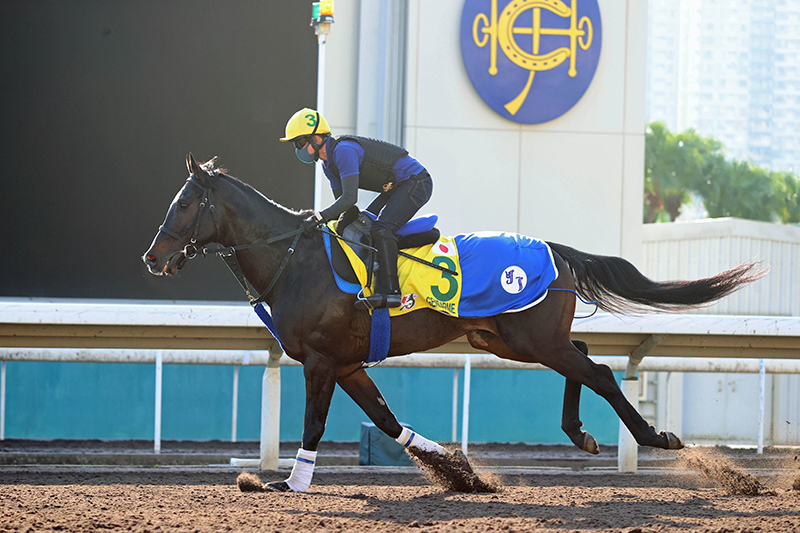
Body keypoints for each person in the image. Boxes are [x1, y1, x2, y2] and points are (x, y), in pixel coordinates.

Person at [280, 108, 433, 309]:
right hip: (395, 187)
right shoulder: (328, 165)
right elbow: (345, 207)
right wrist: (325, 224)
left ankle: (391, 292)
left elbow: (350, 197)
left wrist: (318, 218)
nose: (298, 149)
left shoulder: (343, 151)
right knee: (364, 226)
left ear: (316, 139)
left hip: (416, 181)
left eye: (300, 142)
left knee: (381, 229)